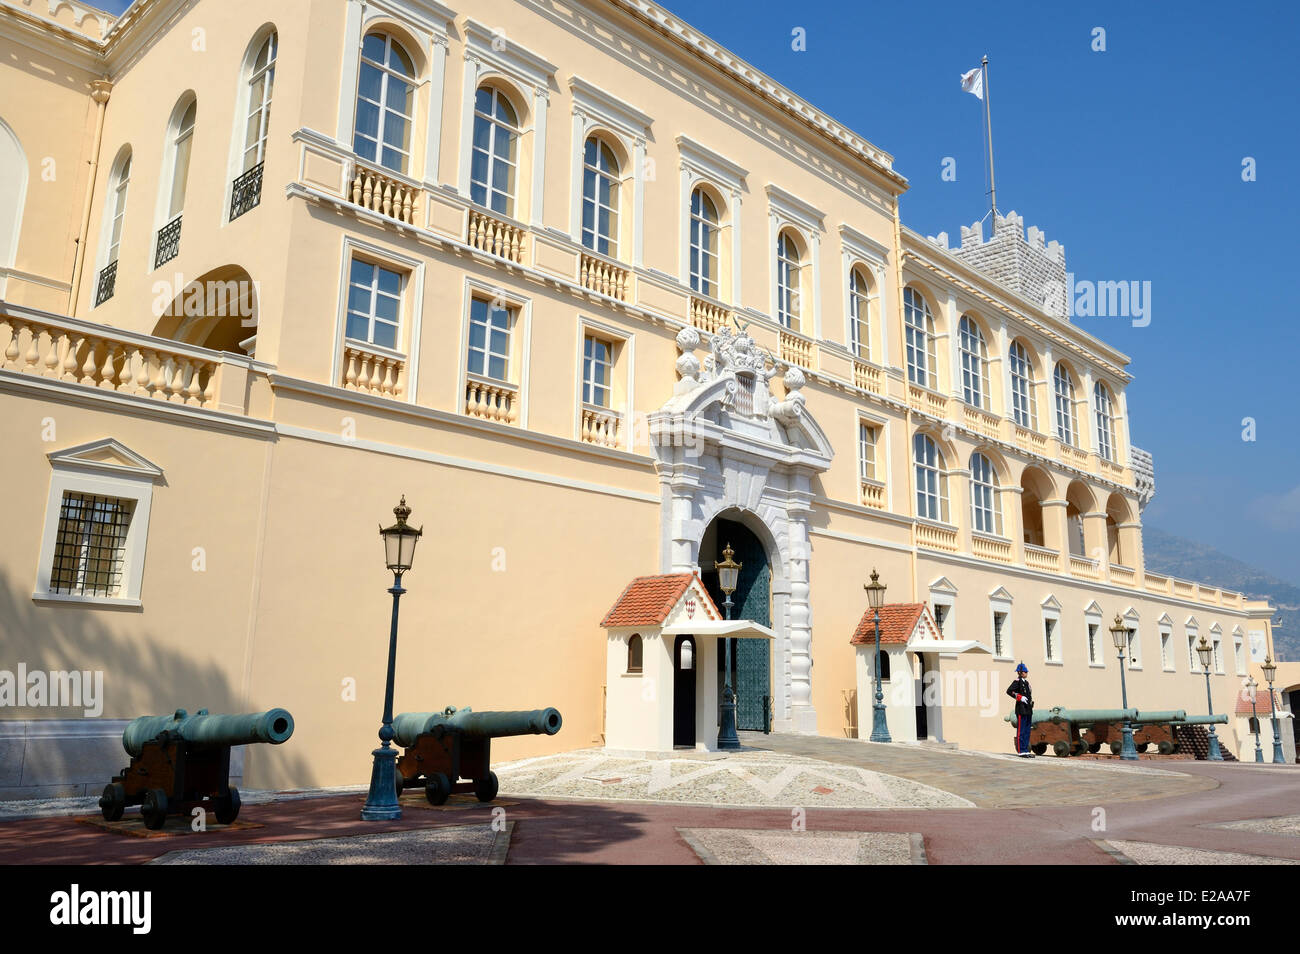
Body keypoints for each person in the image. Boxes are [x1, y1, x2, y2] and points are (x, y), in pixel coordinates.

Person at [1006, 662, 1034, 757]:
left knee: (1027, 730)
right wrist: (1019, 697)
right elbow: (1009, 691)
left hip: (1028, 709)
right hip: (1021, 709)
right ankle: (1021, 750)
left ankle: (1025, 749)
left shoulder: (1026, 683)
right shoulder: (1017, 681)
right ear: (1021, 672)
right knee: (1021, 731)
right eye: (1025, 671)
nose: (1027, 673)